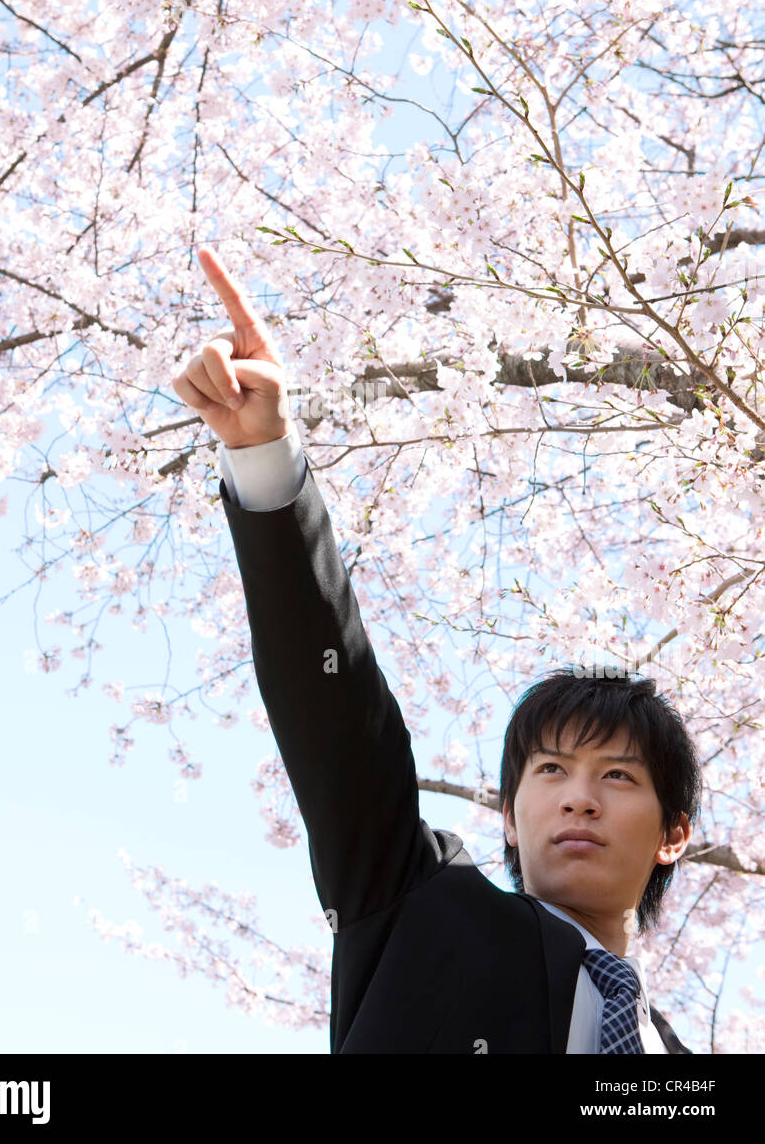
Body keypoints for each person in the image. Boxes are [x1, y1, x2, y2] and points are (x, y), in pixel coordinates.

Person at [171, 246, 700, 1055]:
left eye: (618, 777)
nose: (578, 799)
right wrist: (263, 455)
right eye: (549, 770)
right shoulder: (421, 903)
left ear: (673, 834)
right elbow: (341, 727)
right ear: (512, 823)